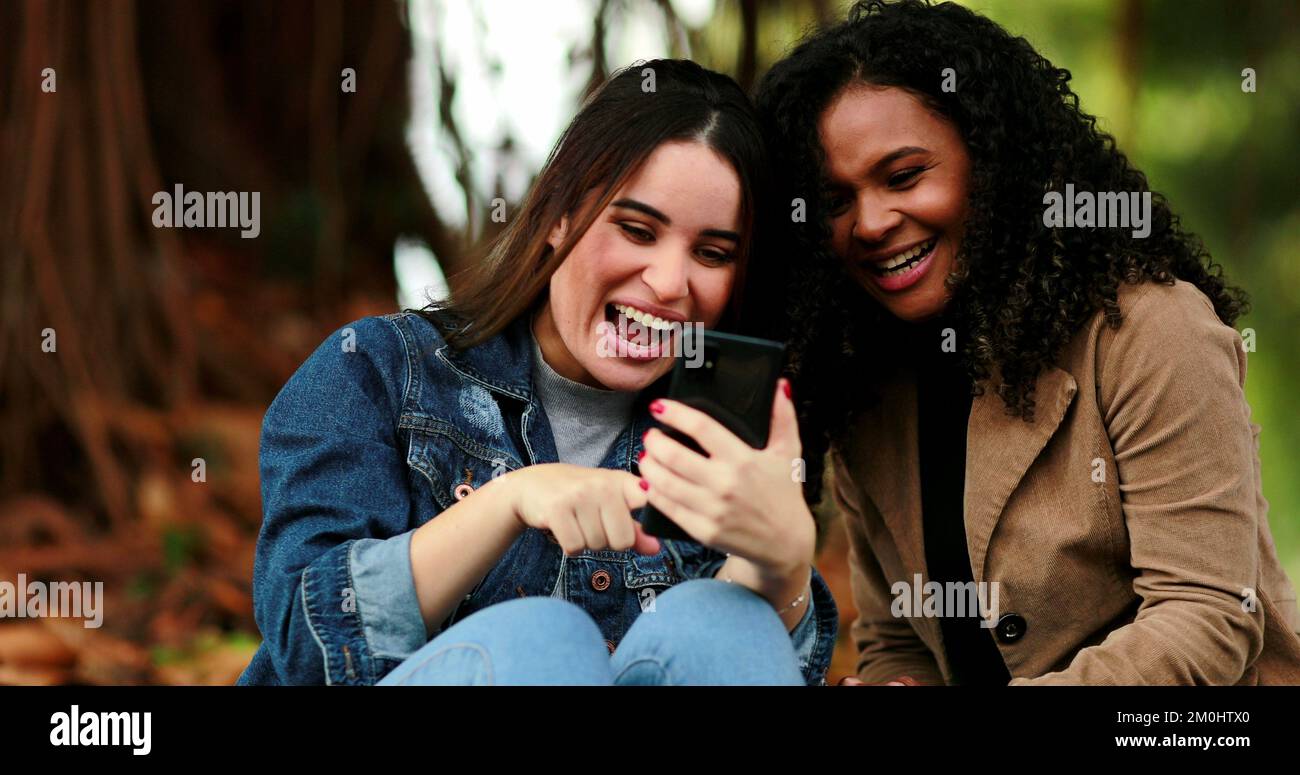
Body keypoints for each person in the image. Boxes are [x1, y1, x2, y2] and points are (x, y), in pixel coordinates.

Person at [236, 58, 837, 686]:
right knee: (543, 640)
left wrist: (784, 566)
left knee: (725, 623)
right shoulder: (379, 369)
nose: (668, 283)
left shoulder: (719, 438)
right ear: (559, 215)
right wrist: (509, 501)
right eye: (636, 229)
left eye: (711, 254)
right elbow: (304, 647)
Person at [753, 0, 1300, 684]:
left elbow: (1207, 617)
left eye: (904, 177)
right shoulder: (861, 384)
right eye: (835, 200)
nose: (869, 222)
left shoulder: (1150, 329)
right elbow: (899, 641)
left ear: (992, 160)